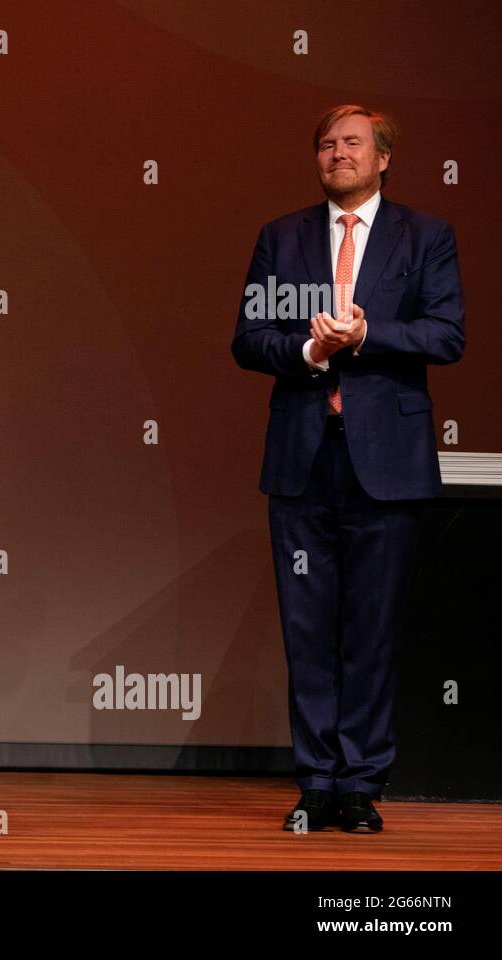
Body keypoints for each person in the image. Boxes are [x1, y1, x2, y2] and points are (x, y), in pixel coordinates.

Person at [232, 105, 464, 833]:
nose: (338, 153)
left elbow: (446, 332)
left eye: (353, 143)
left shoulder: (425, 235)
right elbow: (248, 337)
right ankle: (317, 782)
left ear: (384, 157)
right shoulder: (282, 236)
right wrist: (308, 354)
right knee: (308, 631)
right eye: (327, 144)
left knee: (371, 631)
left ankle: (361, 784)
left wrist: (365, 336)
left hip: (387, 464)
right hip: (304, 457)